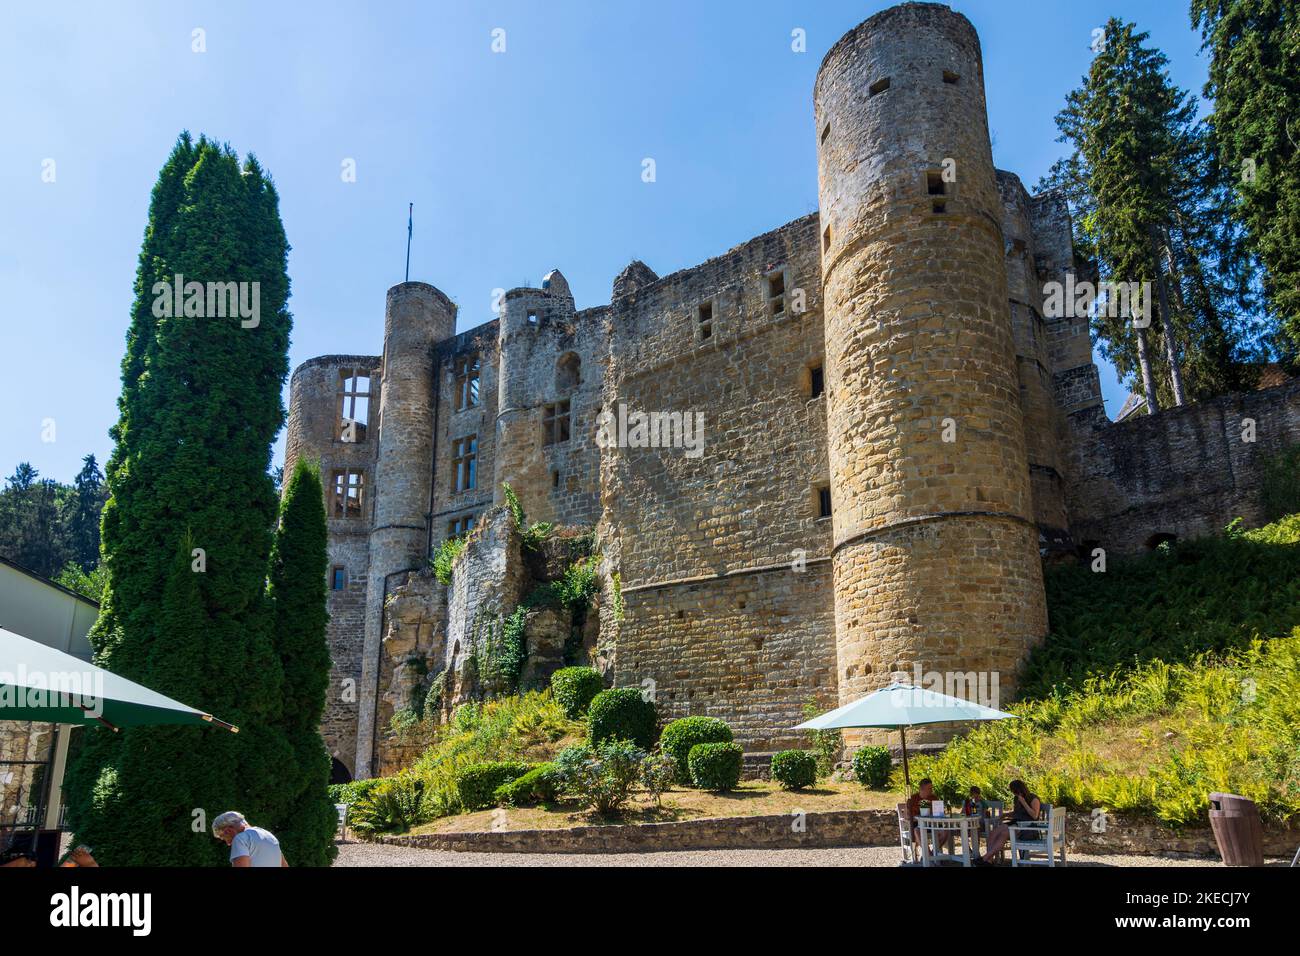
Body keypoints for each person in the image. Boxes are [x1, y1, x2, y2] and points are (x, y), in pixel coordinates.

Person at [978, 779, 1041, 865]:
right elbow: (1017, 813)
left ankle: (984, 858)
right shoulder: (1016, 798)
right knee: (994, 832)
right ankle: (989, 861)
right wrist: (1005, 815)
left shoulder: (1033, 798)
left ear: (1020, 789)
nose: (1014, 794)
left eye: (1015, 791)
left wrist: (1024, 802)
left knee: (1003, 834)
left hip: (1028, 828)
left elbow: (1034, 816)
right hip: (1016, 823)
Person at [211, 811, 289, 867]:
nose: (228, 843)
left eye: (224, 838)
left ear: (228, 831)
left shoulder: (240, 839)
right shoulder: (269, 836)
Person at [906, 778, 953, 855]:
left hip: (933, 824)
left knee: (946, 831)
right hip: (919, 825)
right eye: (929, 788)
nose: (931, 790)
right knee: (917, 831)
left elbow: (940, 812)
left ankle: (933, 852)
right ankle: (928, 854)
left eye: (932, 788)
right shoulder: (912, 799)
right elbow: (908, 816)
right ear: (922, 788)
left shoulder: (934, 798)